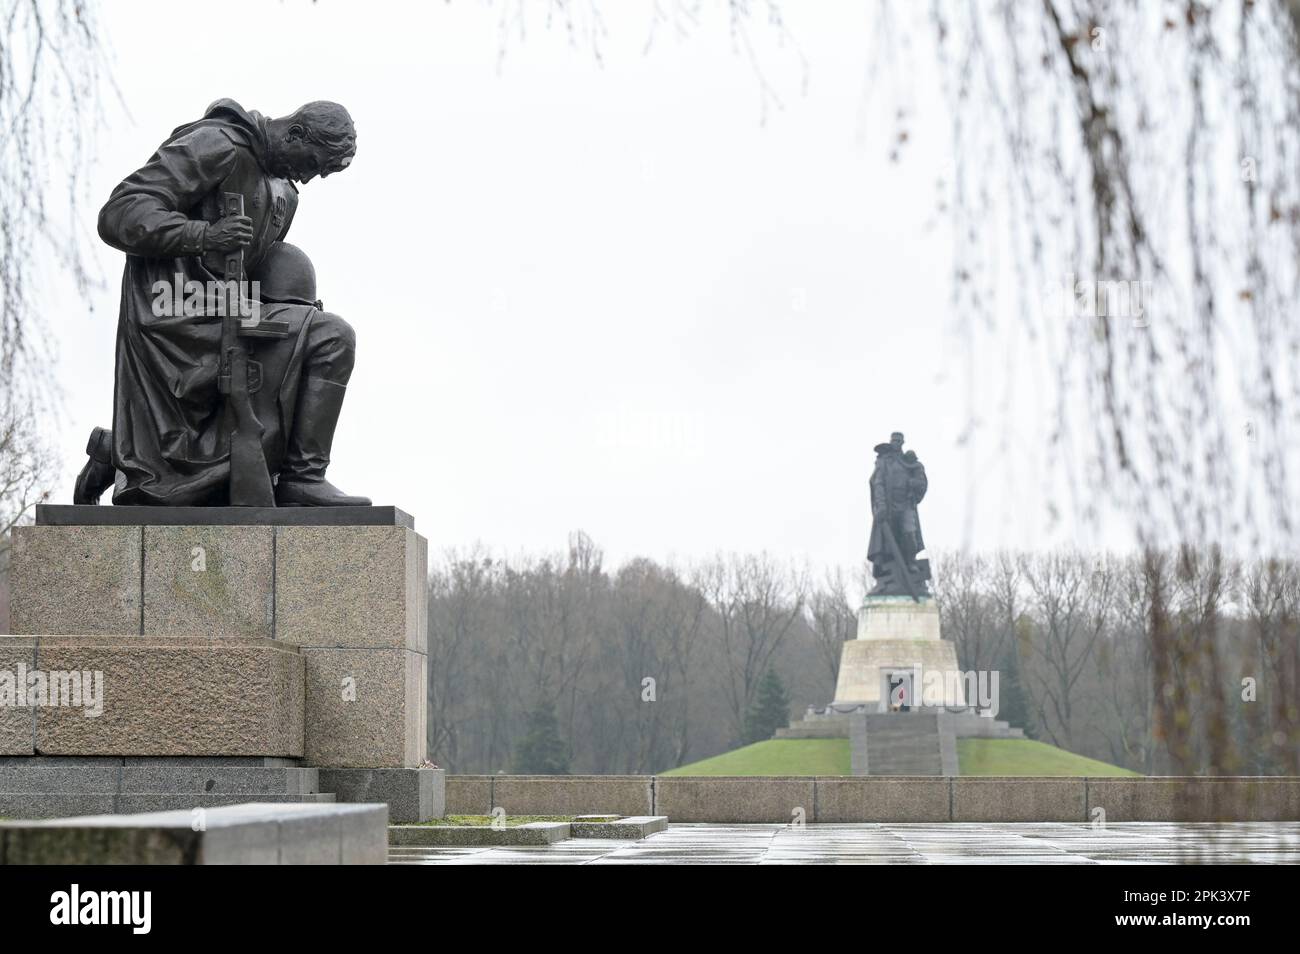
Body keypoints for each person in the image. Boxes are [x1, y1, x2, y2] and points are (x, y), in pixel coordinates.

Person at [75, 98, 369, 506]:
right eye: (313, 162)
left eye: (321, 172)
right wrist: (204, 235)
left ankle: (301, 476)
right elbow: (121, 214)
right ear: (296, 134)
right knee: (331, 336)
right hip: (174, 317)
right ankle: (298, 475)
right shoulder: (217, 144)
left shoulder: (285, 192)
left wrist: (296, 302)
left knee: (323, 336)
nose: (311, 177)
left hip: (232, 312)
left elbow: (258, 267)